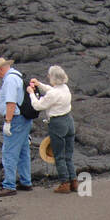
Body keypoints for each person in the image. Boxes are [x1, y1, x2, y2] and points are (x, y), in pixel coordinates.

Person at [28, 65, 77, 193]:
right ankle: (74, 181)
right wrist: (39, 85)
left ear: (53, 78)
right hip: (69, 120)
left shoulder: (54, 94)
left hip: (57, 123)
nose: (48, 77)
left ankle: (64, 183)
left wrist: (31, 94)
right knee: (68, 155)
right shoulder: (64, 88)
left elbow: (38, 106)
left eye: (49, 75)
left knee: (59, 155)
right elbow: (51, 90)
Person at [0, 57, 34, 195]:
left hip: (16, 119)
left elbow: (11, 103)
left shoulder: (9, 80)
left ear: (1, 69)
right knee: (23, 151)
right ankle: (26, 181)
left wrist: (8, 122)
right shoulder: (18, 75)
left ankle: (9, 185)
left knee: (9, 152)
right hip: (24, 118)